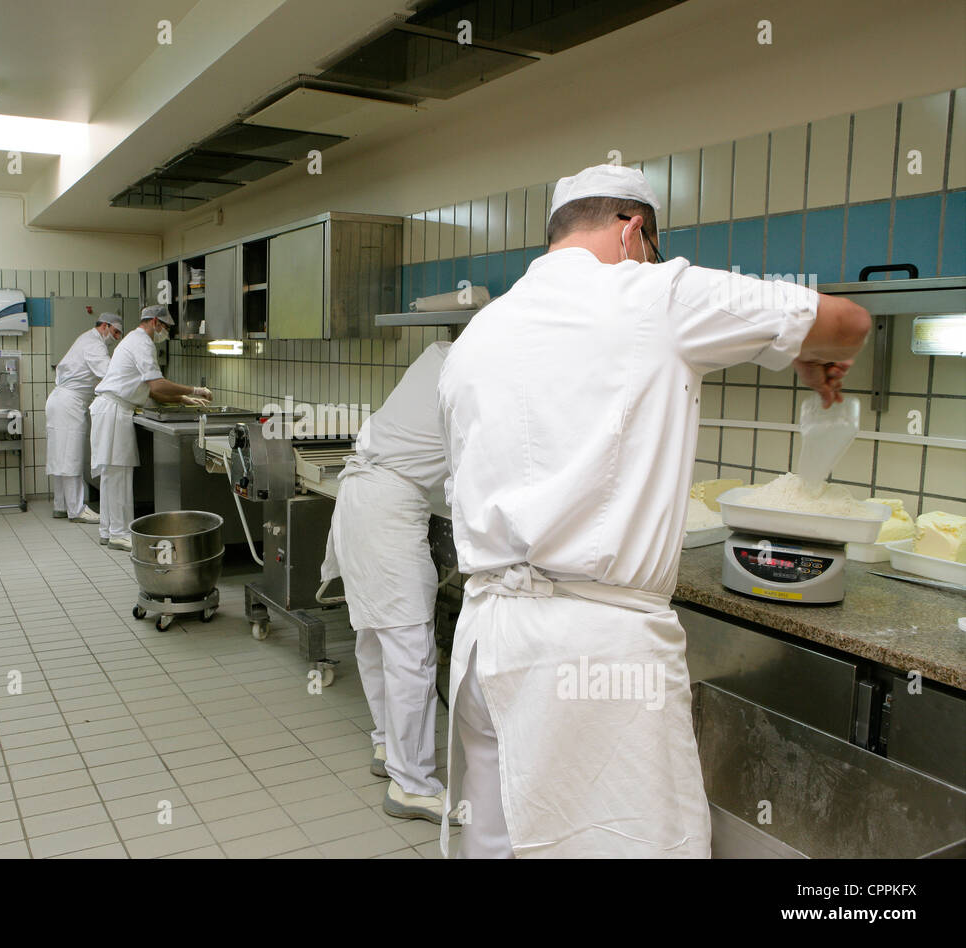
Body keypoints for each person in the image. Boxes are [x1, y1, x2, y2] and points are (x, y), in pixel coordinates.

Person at [437, 163, 870, 858]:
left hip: (488, 642)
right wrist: (808, 357)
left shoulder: (479, 334)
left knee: (503, 843)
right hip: (594, 650)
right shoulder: (654, 293)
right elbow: (847, 323)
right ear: (633, 229)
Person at [321, 342, 451, 824]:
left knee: (375, 640)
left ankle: (386, 747)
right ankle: (412, 785)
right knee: (409, 651)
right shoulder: (474, 376)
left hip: (360, 500)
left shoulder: (441, 354)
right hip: (388, 512)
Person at [89, 306, 211, 551]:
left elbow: (152, 390)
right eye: (164, 327)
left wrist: (181, 400)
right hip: (113, 411)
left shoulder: (133, 339)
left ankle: (108, 529)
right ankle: (118, 533)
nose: (164, 332)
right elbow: (157, 384)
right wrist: (193, 390)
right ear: (154, 322)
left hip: (112, 409)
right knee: (119, 475)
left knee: (112, 475)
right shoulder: (142, 342)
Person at [46, 312, 123, 523]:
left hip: (60, 402)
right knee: (70, 456)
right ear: (105, 326)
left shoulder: (87, 339)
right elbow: (109, 375)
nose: (116, 338)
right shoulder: (94, 344)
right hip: (68, 403)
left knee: (61, 455)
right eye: (115, 332)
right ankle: (77, 510)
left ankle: (61, 505)